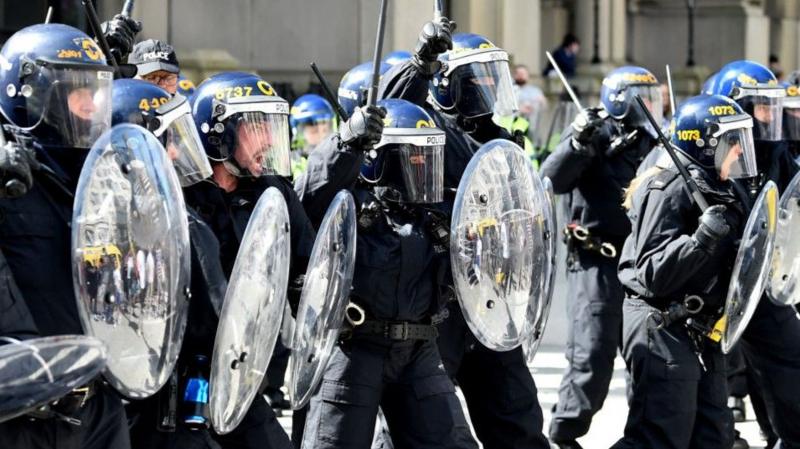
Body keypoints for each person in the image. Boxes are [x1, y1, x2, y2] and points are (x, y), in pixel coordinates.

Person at [379, 22, 551, 449]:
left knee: (519, 418)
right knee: (428, 427)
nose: (488, 89)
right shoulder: (427, 128)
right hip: (440, 305)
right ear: (448, 84)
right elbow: (388, 107)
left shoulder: (499, 142)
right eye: (478, 79)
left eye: (494, 78)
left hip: (490, 301)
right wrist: (422, 63)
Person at [295, 97, 478, 449]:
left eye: (429, 157)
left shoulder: (436, 213)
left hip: (419, 350)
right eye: (414, 156)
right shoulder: (347, 202)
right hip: (354, 350)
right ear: (382, 158)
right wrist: (345, 143)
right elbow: (306, 197)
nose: (423, 165)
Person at [0, 23, 130, 449]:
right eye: (78, 93)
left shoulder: (100, 177)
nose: (92, 106)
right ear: (32, 94)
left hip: (98, 405)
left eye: (96, 92)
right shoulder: (9, 176)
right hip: (22, 414)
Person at [612, 93, 756, 449]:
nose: (739, 151)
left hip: (700, 328)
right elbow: (651, 272)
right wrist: (701, 240)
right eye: (731, 142)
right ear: (705, 144)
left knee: (712, 435)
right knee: (659, 436)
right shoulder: (666, 187)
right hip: (661, 322)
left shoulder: (722, 185)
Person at [184, 71, 317, 449]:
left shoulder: (273, 192)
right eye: (257, 128)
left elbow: (306, 268)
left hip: (245, 372)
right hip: (180, 382)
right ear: (219, 133)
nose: (271, 140)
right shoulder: (179, 191)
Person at [540, 66, 662, 449]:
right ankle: (565, 432)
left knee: (647, 354)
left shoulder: (655, 140)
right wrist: (577, 143)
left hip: (639, 263)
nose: (654, 106)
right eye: (646, 98)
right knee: (592, 351)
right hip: (595, 260)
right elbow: (552, 178)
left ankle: (641, 437)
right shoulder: (594, 132)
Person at [107, 78, 223, 449]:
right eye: (168, 140)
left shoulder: (183, 214)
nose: (175, 154)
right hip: (131, 402)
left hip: (173, 393)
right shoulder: (96, 222)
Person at [705, 60, 800, 449]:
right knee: (703, 375)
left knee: (790, 357)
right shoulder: (704, 147)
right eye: (760, 107)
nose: (767, 117)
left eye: (770, 108)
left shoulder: (775, 150)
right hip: (708, 285)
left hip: (758, 277)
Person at [289, 94, 336, 177]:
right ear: (299, 131)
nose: (322, 134)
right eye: (313, 125)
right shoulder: (289, 166)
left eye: (325, 125)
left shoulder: (339, 161)